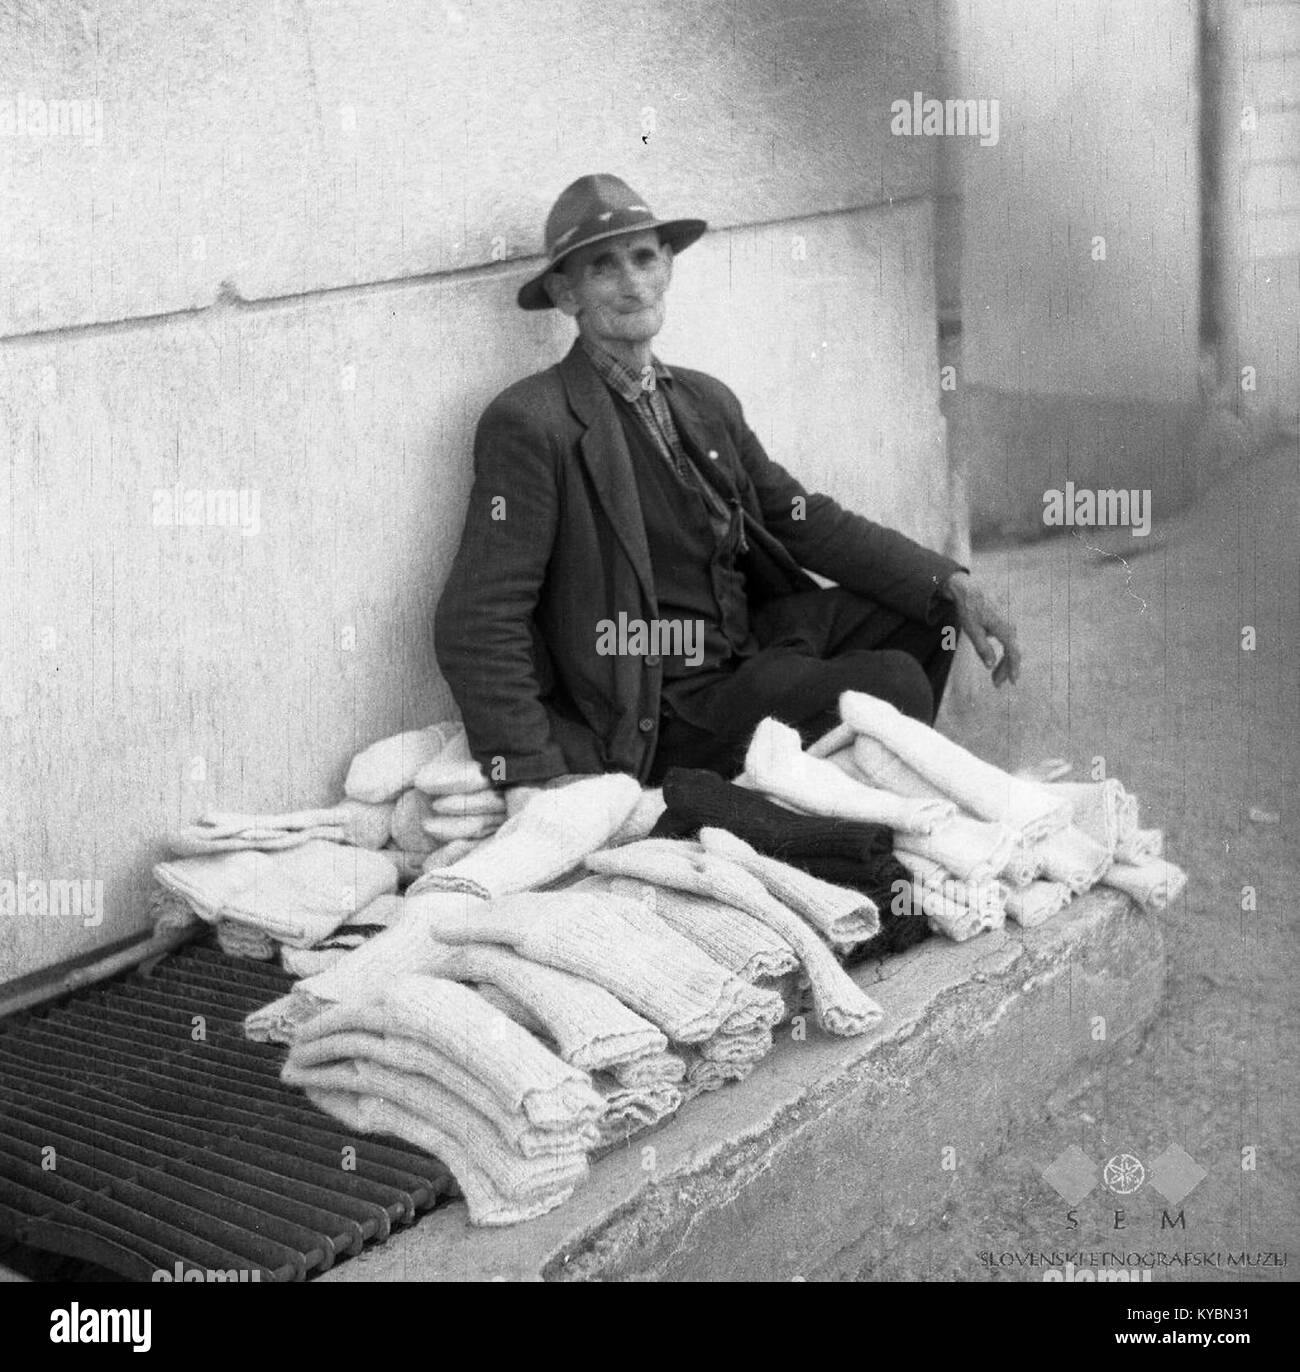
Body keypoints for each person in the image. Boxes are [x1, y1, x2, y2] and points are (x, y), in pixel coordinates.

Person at [435, 174, 1020, 815]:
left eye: (644, 257)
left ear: (668, 269)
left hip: (750, 647)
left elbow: (801, 519)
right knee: (893, 683)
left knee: (928, 612)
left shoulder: (703, 398)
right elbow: (478, 617)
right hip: (667, 699)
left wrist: (949, 581)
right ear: (565, 293)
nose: (632, 283)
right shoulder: (533, 420)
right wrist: (534, 774)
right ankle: (832, 812)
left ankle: (838, 802)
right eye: (603, 267)